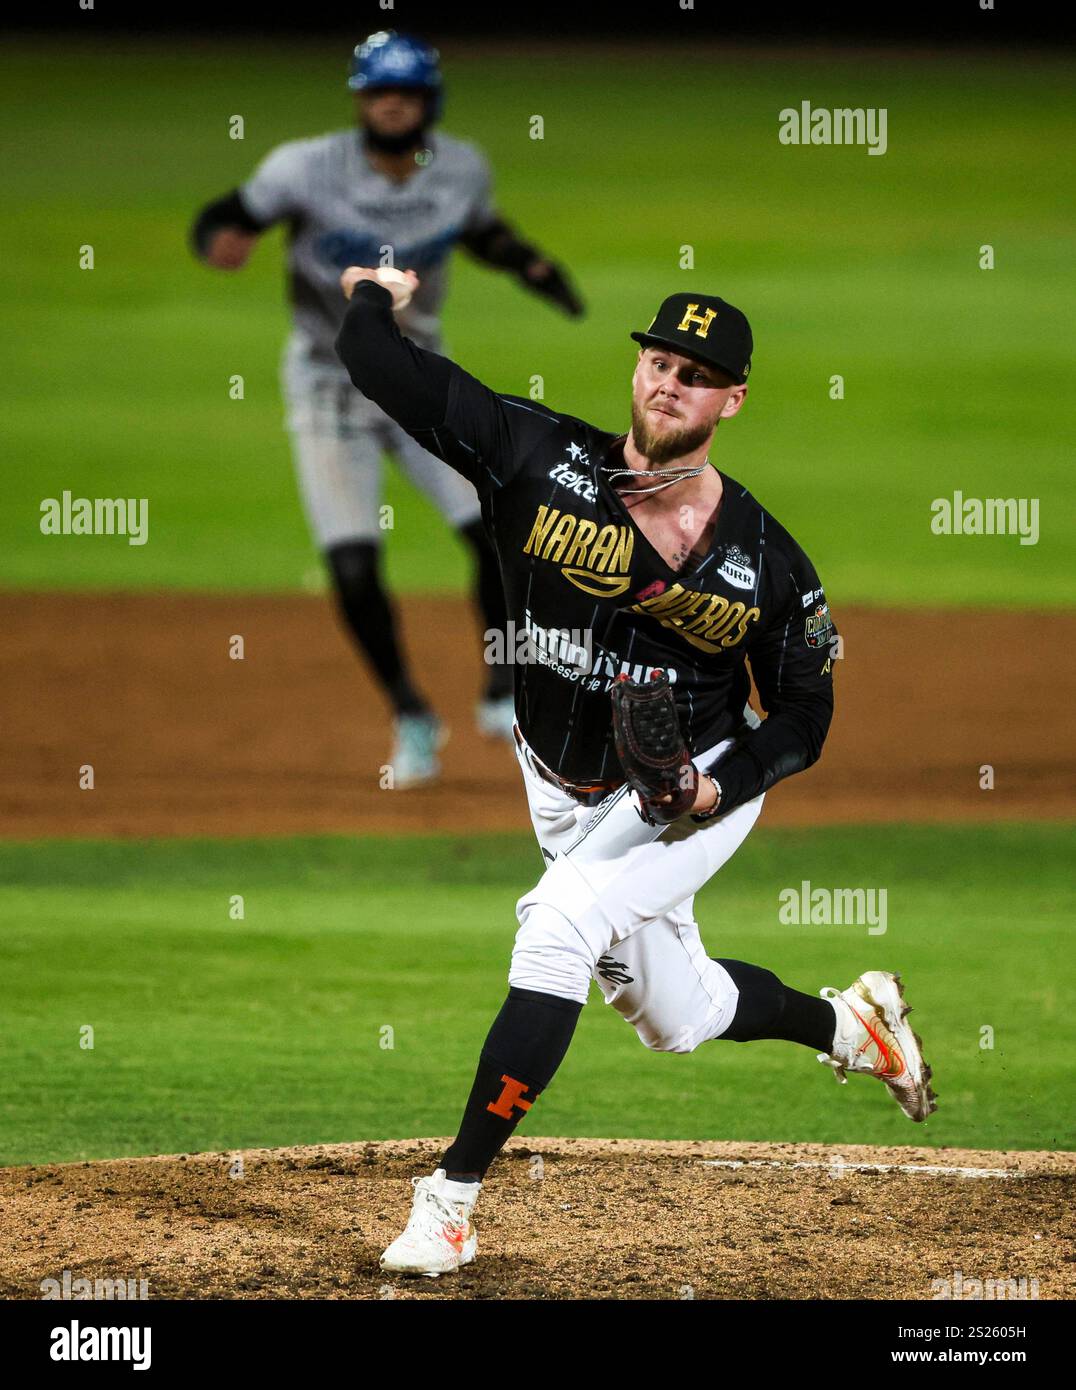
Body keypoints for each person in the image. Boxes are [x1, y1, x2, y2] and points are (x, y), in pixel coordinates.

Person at [333, 267, 936, 1276]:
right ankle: (852, 1023)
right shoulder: (529, 453)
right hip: (560, 787)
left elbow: (804, 714)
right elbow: (373, 362)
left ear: (729, 400)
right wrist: (367, 295)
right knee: (677, 1015)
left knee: (558, 926)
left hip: (690, 788)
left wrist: (712, 789)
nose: (667, 383)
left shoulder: (764, 561)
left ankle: (448, 1203)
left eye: (695, 375)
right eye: (658, 360)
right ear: (638, 367)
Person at [190, 30, 583, 785]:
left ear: (428, 99)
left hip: (420, 383)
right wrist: (219, 241)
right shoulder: (303, 168)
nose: (391, 103)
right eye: (378, 91)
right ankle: (410, 714)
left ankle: (503, 690)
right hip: (326, 386)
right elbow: (226, 213)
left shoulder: (459, 168)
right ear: (359, 98)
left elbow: (482, 232)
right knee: (353, 566)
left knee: (495, 531)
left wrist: (533, 266)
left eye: (404, 91)